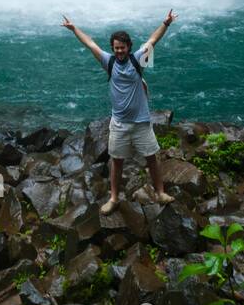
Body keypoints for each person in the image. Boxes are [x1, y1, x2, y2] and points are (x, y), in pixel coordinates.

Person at [62, 11, 177, 213]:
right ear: (113, 49)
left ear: (129, 47)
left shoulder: (138, 60)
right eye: (116, 48)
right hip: (119, 123)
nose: (119, 52)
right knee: (117, 162)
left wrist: (165, 23)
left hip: (141, 122)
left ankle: (160, 192)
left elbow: (153, 39)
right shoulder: (109, 61)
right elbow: (90, 44)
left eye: (122, 48)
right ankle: (114, 198)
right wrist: (74, 29)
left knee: (151, 157)